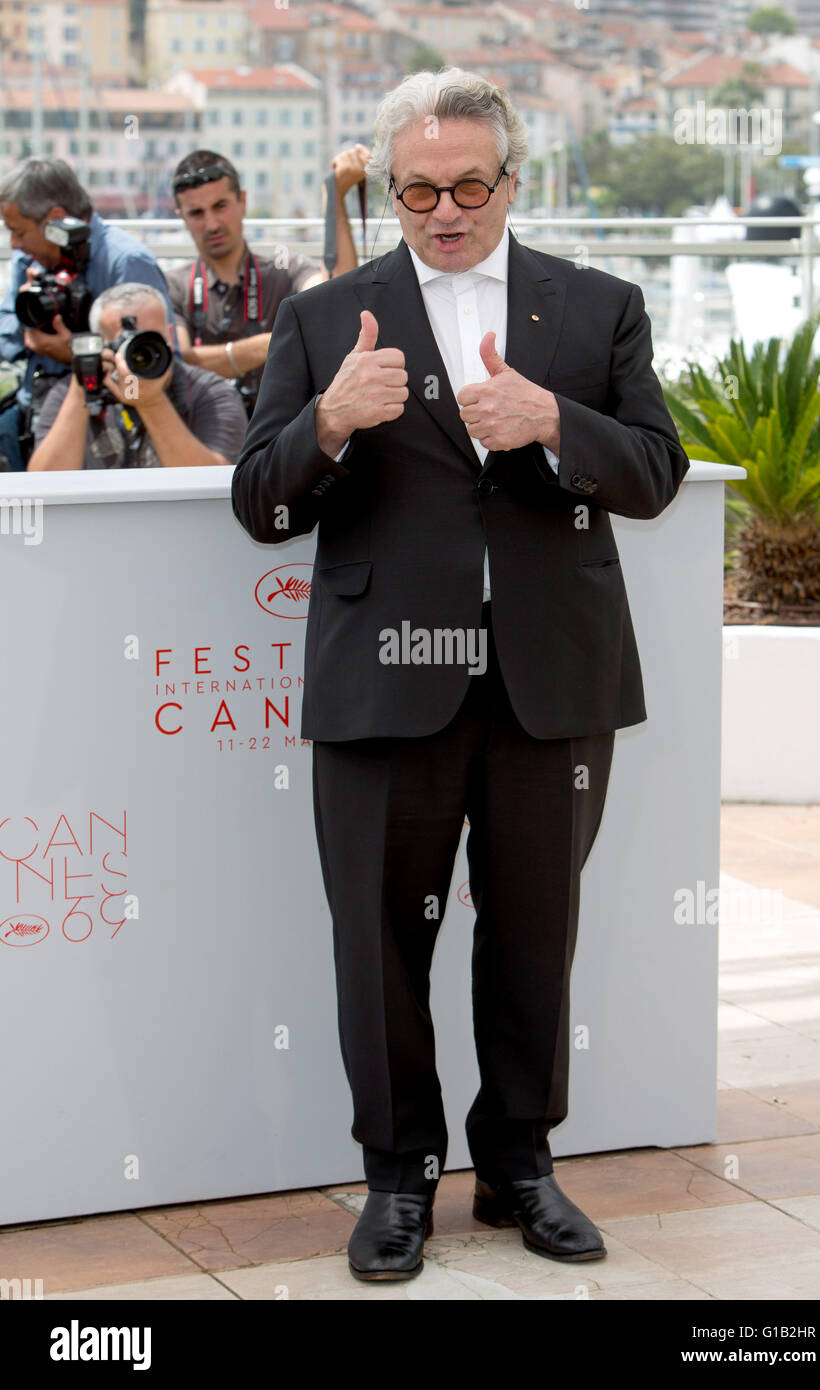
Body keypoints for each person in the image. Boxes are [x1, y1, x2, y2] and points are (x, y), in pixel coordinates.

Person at [231, 67, 691, 1283]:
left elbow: (653, 472)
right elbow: (260, 505)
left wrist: (553, 422)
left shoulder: (596, 307)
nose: (445, 209)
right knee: (376, 944)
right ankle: (396, 1180)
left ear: (510, 182)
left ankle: (519, 1168)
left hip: (550, 680)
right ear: (391, 189)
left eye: (469, 185)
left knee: (534, 935)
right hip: (385, 683)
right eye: (419, 188)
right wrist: (327, 423)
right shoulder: (328, 318)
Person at [0, 158, 177, 471]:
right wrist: (30, 325)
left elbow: (156, 357)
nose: (14, 244)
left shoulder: (126, 261)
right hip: (32, 408)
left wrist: (77, 352)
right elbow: (6, 335)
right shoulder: (27, 261)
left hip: (106, 421)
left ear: (54, 218)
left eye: (18, 232)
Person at [166, 146, 369, 417]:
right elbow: (182, 361)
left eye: (220, 206)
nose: (212, 224)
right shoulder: (174, 286)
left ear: (243, 201)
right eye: (196, 213)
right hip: (206, 436)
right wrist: (280, 344)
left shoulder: (284, 270)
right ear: (182, 217)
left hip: (276, 438)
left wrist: (334, 195)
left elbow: (336, 300)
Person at [28, 283, 246, 470]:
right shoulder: (70, 392)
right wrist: (82, 390)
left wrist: (152, 403)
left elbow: (214, 488)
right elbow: (44, 485)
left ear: (170, 337)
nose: (136, 355)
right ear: (100, 345)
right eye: (123, 344)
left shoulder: (211, 392)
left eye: (149, 341)